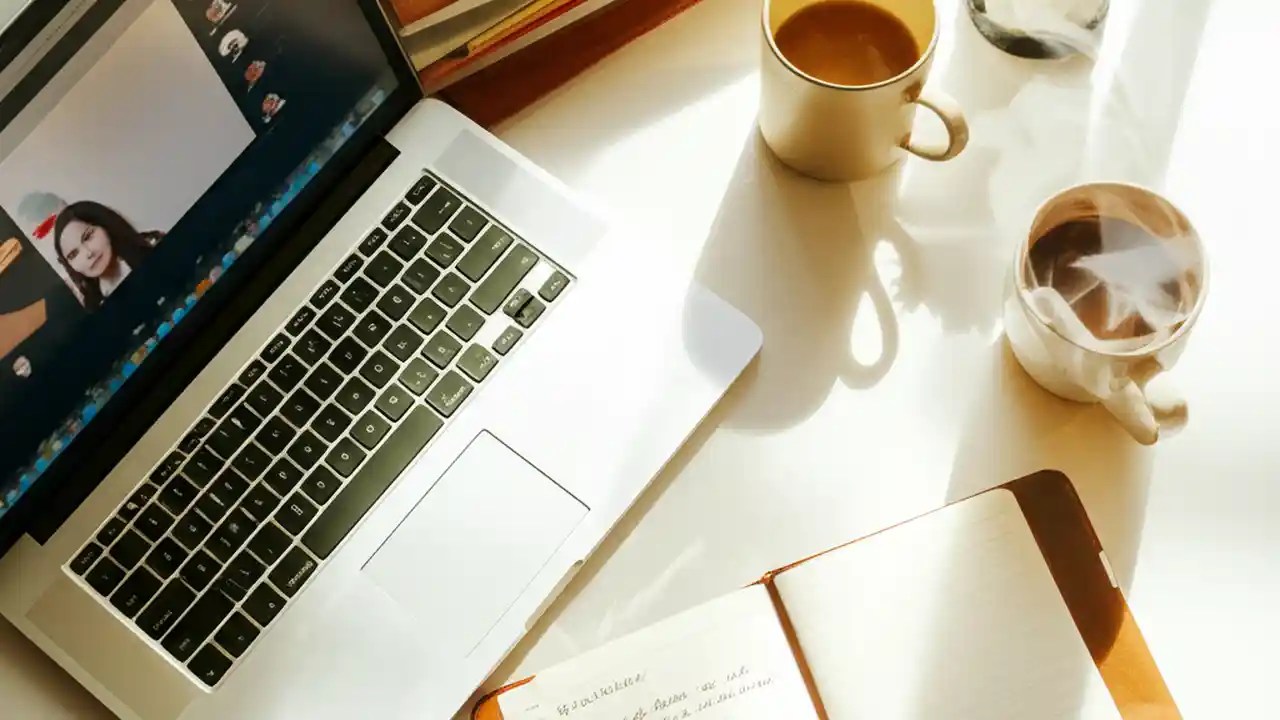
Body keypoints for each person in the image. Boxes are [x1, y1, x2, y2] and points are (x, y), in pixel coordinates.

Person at [53, 201, 161, 311]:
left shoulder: (153, 247)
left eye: (88, 236)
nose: (88, 253)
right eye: (73, 254)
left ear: (105, 225)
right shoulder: (93, 307)